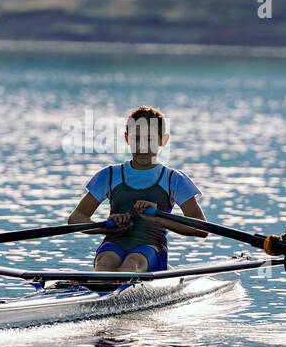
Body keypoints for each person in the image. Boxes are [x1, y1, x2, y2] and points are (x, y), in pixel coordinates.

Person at [67, 105, 208, 272]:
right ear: (127, 139)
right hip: (113, 244)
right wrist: (105, 227)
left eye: (149, 139)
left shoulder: (174, 179)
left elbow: (201, 228)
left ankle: (111, 288)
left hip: (151, 248)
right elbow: (76, 217)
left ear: (163, 141)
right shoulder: (109, 175)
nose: (142, 146)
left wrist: (159, 219)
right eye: (136, 139)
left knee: (132, 263)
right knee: (105, 263)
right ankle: (103, 289)